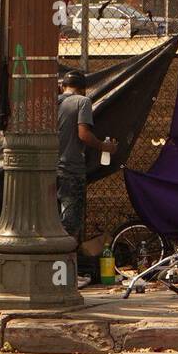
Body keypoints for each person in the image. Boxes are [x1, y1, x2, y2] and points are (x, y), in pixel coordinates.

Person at [56, 71, 117, 249]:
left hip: (49, 169)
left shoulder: (53, 102)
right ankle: (68, 268)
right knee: (71, 221)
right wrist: (105, 147)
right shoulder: (82, 101)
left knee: (54, 220)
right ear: (83, 89)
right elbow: (83, 134)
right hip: (71, 168)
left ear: (62, 86)